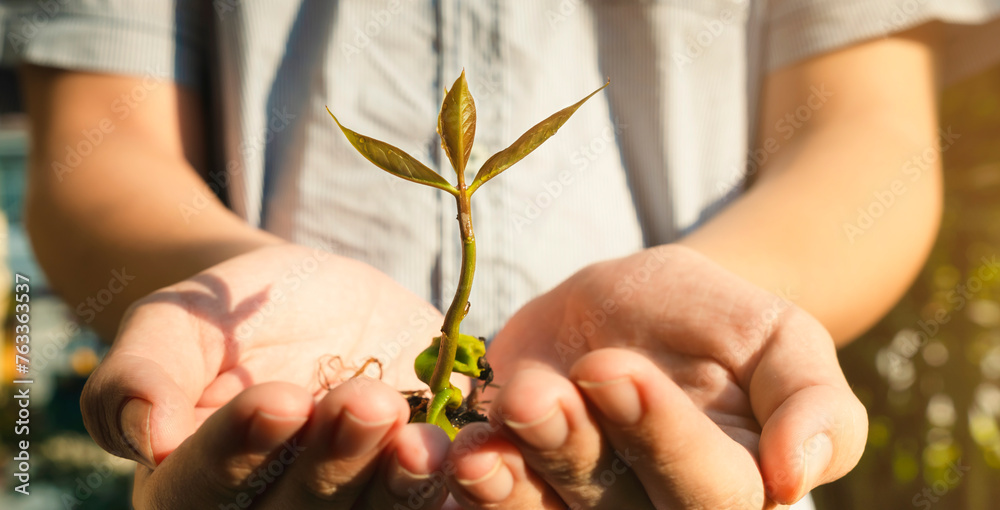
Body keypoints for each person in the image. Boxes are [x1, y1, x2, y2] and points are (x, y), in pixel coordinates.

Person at [7, 0, 1000, 508]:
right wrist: (223, 300)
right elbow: (99, 144)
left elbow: (868, 133)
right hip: (277, 438)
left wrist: (737, 306)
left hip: (690, 455)